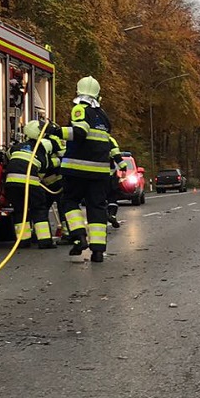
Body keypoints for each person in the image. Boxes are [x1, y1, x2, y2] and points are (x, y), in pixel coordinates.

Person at [56, 76, 123, 263]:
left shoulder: (79, 109)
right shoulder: (103, 116)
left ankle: (79, 237)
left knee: (69, 202)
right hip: (100, 172)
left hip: (76, 170)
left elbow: (79, 133)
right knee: (97, 208)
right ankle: (98, 251)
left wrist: (55, 131)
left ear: (78, 92)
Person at [3, 121, 56, 248]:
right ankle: (45, 241)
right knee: (39, 210)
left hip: (11, 183)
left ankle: (23, 240)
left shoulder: (16, 147)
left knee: (20, 211)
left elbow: (7, 157)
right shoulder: (42, 151)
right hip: (30, 183)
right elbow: (43, 169)